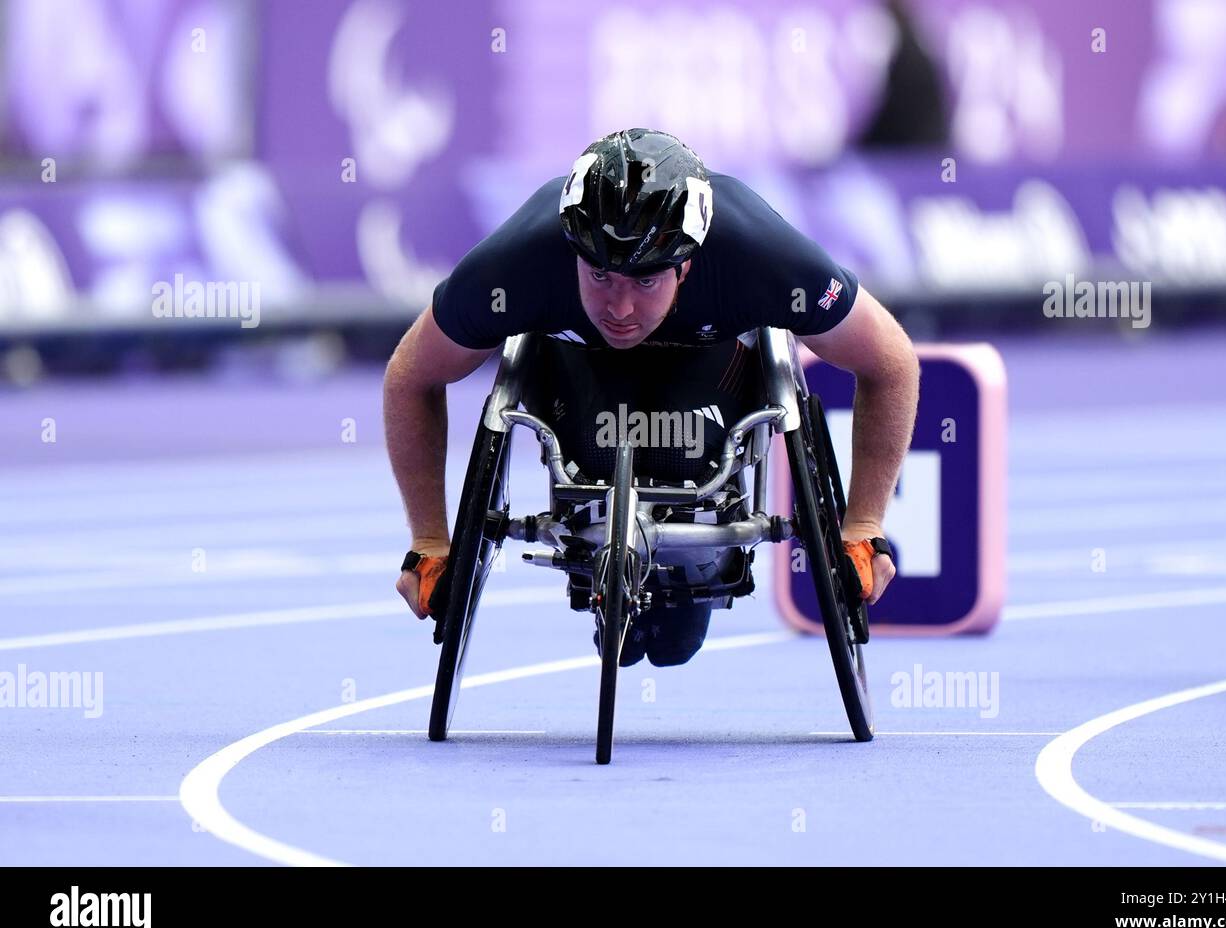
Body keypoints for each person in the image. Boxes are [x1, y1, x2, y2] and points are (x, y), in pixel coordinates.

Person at [385, 128, 919, 666]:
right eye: (600, 275)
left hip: (714, 383)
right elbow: (411, 377)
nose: (619, 306)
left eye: (645, 282)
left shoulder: (761, 257)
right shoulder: (516, 263)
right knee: (632, 649)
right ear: (571, 250)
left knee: (673, 644)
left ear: (687, 264)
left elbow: (890, 362)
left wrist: (863, 526)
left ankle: (679, 582)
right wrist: (430, 540)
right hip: (579, 384)